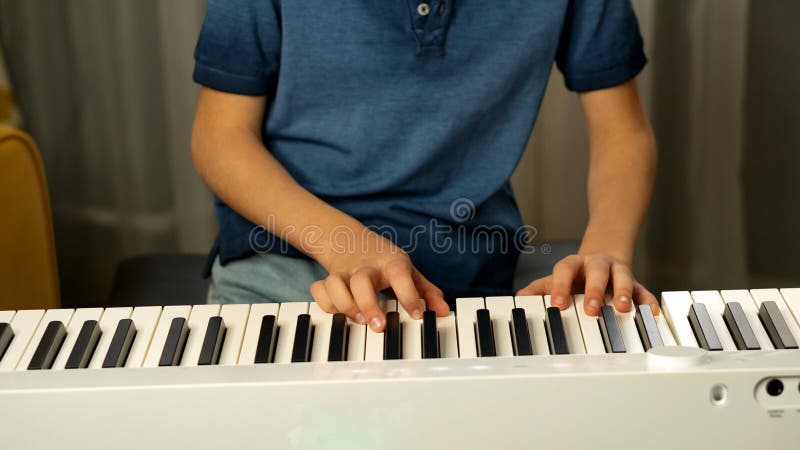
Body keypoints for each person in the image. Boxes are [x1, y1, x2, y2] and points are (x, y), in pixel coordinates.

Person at [191, 0, 659, 333]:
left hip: (469, 281)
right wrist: (345, 245)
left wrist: (606, 252)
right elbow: (221, 137)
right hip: (286, 264)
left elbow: (622, 133)